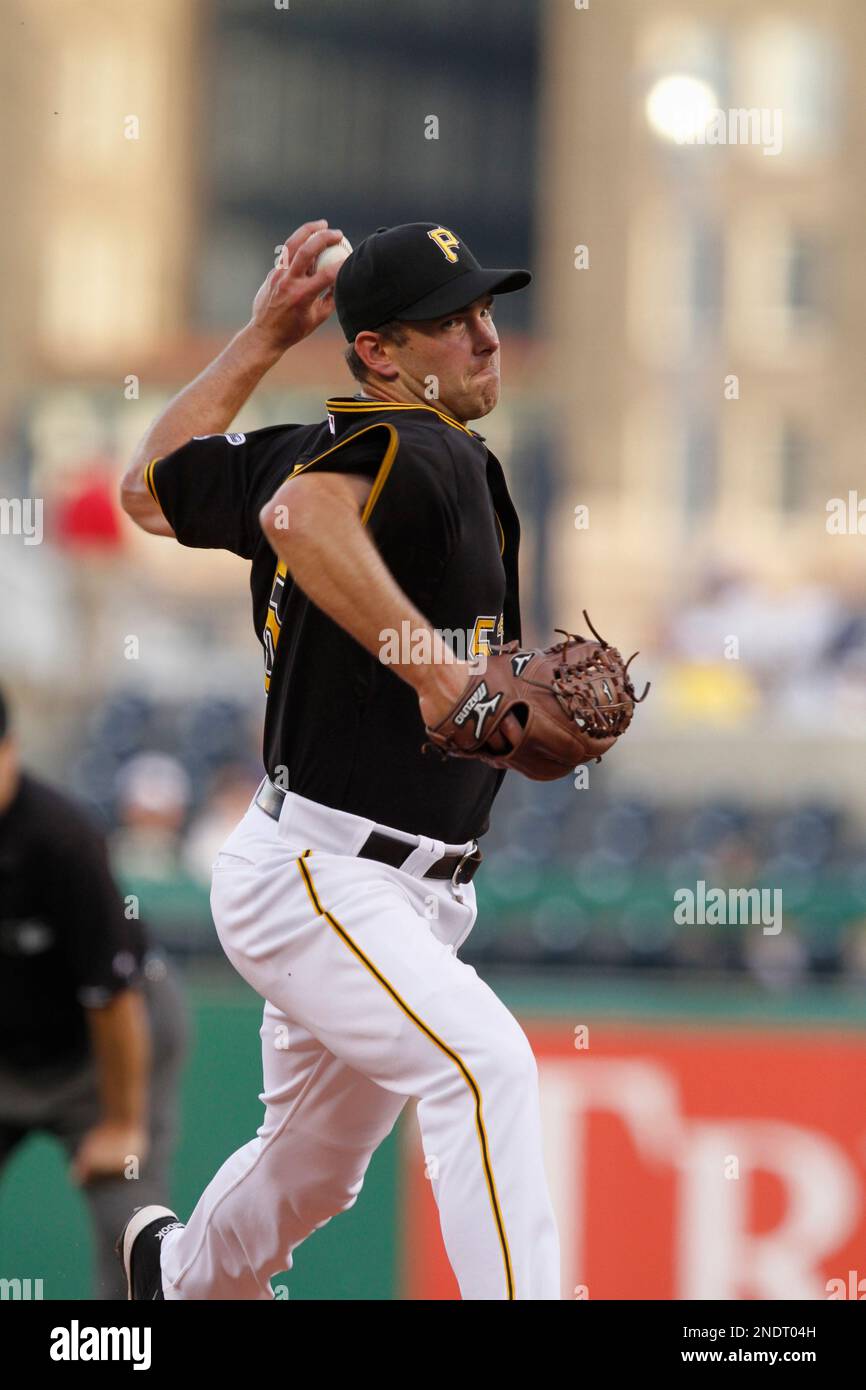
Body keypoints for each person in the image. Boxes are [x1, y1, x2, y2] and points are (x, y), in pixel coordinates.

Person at [117, 220, 561, 1300]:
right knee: (481, 1063)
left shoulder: (317, 440)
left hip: (385, 885)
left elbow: (149, 487)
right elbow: (298, 515)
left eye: (486, 312)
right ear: (380, 353)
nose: (486, 339)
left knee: (313, 1174)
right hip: (327, 877)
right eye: (452, 322)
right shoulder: (413, 449)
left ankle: (172, 1280)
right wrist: (436, 673)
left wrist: (261, 338)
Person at [0, 687, 187, 1299]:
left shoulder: (61, 837)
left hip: (105, 1060)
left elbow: (114, 996)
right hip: (10, 1052)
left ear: (10, 753)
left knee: (129, 1227)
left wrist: (123, 1123)